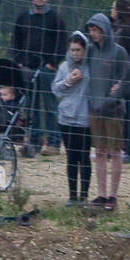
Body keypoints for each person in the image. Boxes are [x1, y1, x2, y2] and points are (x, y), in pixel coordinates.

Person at [11, 0, 67, 157]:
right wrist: (18, 62)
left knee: (50, 106)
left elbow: (62, 42)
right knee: (31, 106)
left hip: (47, 68)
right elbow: (16, 41)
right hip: (27, 67)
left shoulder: (55, 18)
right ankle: (33, 142)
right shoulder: (23, 18)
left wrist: (53, 62)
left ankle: (53, 143)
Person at [83, 12, 130, 210]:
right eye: (90, 30)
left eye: (96, 29)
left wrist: (114, 97)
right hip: (94, 108)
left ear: (105, 29)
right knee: (100, 152)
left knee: (115, 151)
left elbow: (126, 81)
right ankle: (101, 194)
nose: (93, 34)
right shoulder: (90, 51)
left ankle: (113, 195)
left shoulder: (119, 52)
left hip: (113, 110)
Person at [52, 32, 93, 207]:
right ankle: (72, 195)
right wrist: (68, 81)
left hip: (85, 117)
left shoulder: (91, 66)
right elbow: (55, 90)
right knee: (71, 157)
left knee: (84, 157)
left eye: (78, 50)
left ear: (85, 49)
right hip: (67, 117)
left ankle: (84, 195)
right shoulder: (64, 67)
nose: (75, 53)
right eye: (72, 50)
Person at [111, 0, 130, 164]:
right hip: (118, 77)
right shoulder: (117, 28)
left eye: (113, 8)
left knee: (126, 114)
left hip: (126, 78)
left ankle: (128, 149)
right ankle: (116, 148)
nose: (111, 10)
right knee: (116, 114)